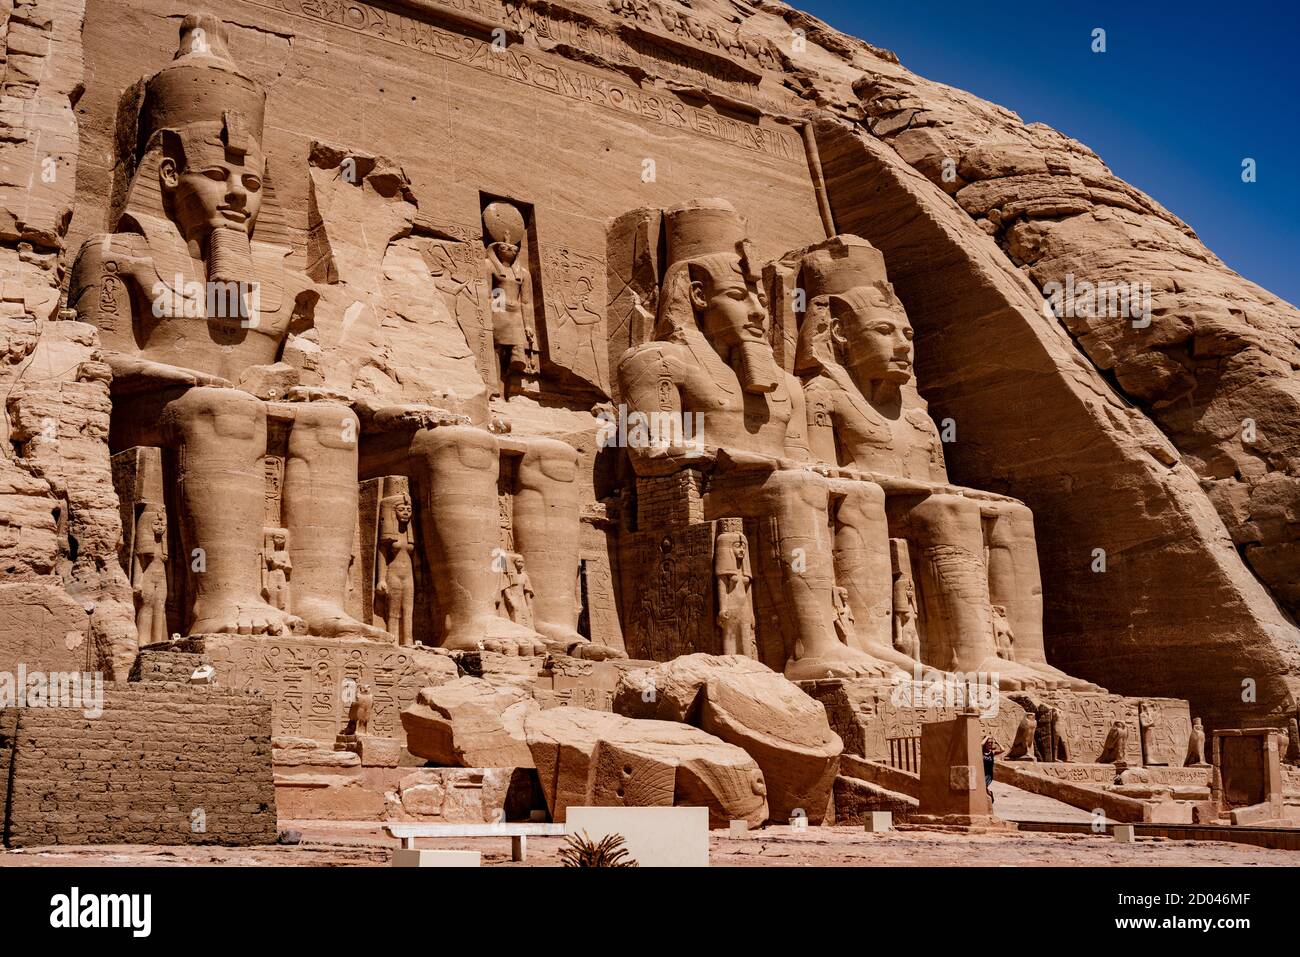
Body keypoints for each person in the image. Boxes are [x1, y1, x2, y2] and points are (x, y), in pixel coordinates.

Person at [982, 735, 1003, 804]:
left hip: (988, 774)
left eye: (991, 742)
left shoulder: (992, 752)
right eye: (988, 742)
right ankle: (990, 794)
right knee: (983, 787)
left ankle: (990, 796)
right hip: (982, 773)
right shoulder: (981, 752)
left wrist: (997, 742)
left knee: (984, 786)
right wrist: (987, 737)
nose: (990, 744)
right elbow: (981, 744)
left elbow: (1003, 750)